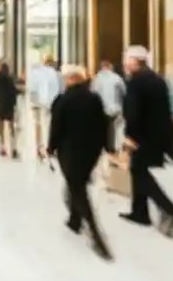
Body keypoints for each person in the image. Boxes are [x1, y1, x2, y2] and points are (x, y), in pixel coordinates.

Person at [47, 65, 112, 261]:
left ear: (70, 80)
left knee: (77, 189)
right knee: (76, 184)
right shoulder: (94, 99)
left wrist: (50, 147)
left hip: (70, 152)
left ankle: (94, 232)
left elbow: (56, 127)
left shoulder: (63, 100)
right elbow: (104, 124)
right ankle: (75, 220)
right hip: (90, 153)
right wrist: (106, 147)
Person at [120, 46, 173, 237]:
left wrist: (130, 136)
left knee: (139, 172)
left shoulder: (136, 82)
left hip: (142, 136)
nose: (125, 63)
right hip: (158, 135)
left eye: (127, 60)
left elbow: (133, 113)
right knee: (137, 170)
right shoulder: (158, 80)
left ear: (135, 62)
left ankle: (171, 211)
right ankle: (140, 212)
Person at [27, 55, 61, 160]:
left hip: (38, 102)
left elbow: (32, 87)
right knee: (48, 124)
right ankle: (48, 147)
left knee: (39, 124)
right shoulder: (53, 74)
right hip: (49, 103)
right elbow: (57, 89)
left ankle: (40, 146)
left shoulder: (36, 72)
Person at [92, 59, 127, 152]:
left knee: (104, 129)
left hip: (102, 109)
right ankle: (117, 147)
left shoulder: (96, 79)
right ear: (110, 67)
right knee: (118, 129)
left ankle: (106, 147)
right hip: (116, 107)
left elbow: (93, 94)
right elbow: (124, 92)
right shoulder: (117, 78)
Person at [0, 62, 19, 159]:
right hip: (9, 106)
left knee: (1, 127)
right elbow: (14, 92)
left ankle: (2, 147)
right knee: (11, 127)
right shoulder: (10, 80)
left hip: (1, 106)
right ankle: (13, 148)